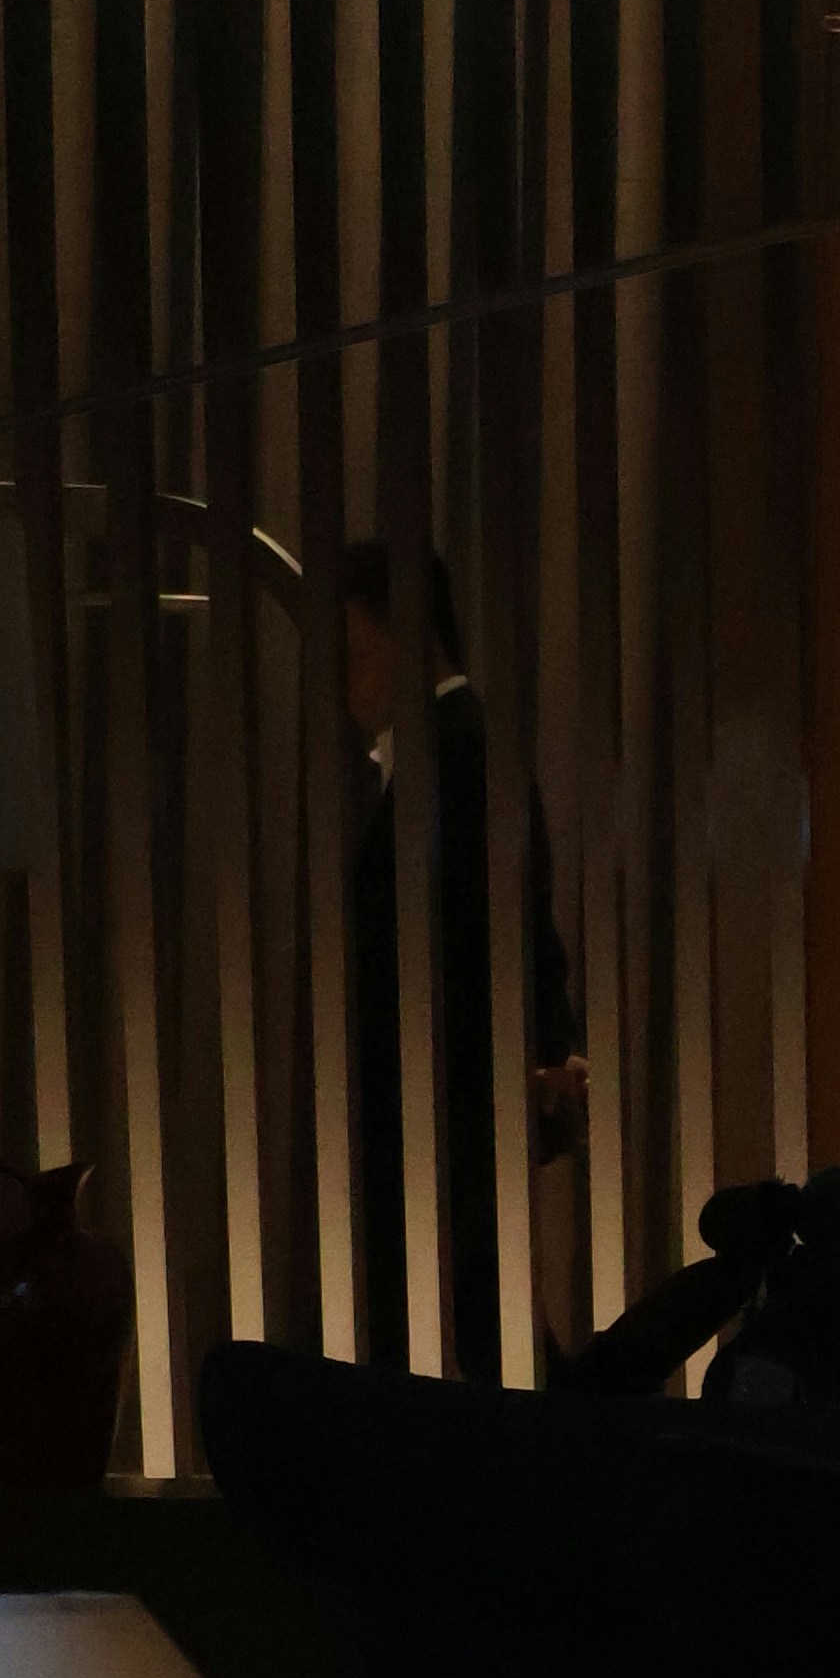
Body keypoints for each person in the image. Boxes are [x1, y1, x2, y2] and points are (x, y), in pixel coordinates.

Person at [338, 542, 583, 1383]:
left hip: (443, 1114)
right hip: (454, 1113)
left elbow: (493, 939)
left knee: (471, 1336)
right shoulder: (453, 756)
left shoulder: (459, 760)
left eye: (355, 652)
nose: (344, 683)